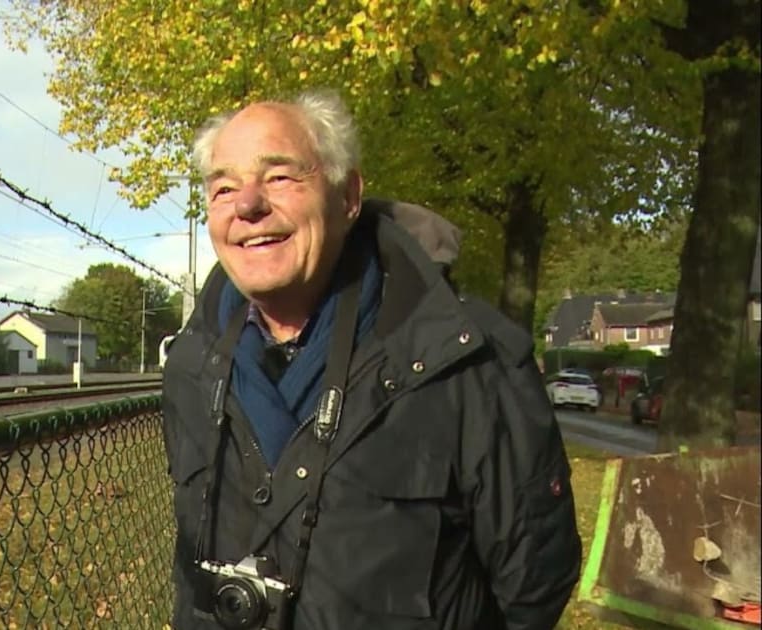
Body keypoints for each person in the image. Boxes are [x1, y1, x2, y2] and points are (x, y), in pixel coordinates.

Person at [161, 90, 581, 630]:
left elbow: (534, 583)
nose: (247, 206)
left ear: (348, 196)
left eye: (281, 177)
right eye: (223, 188)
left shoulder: (468, 360)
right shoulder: (190, 367)